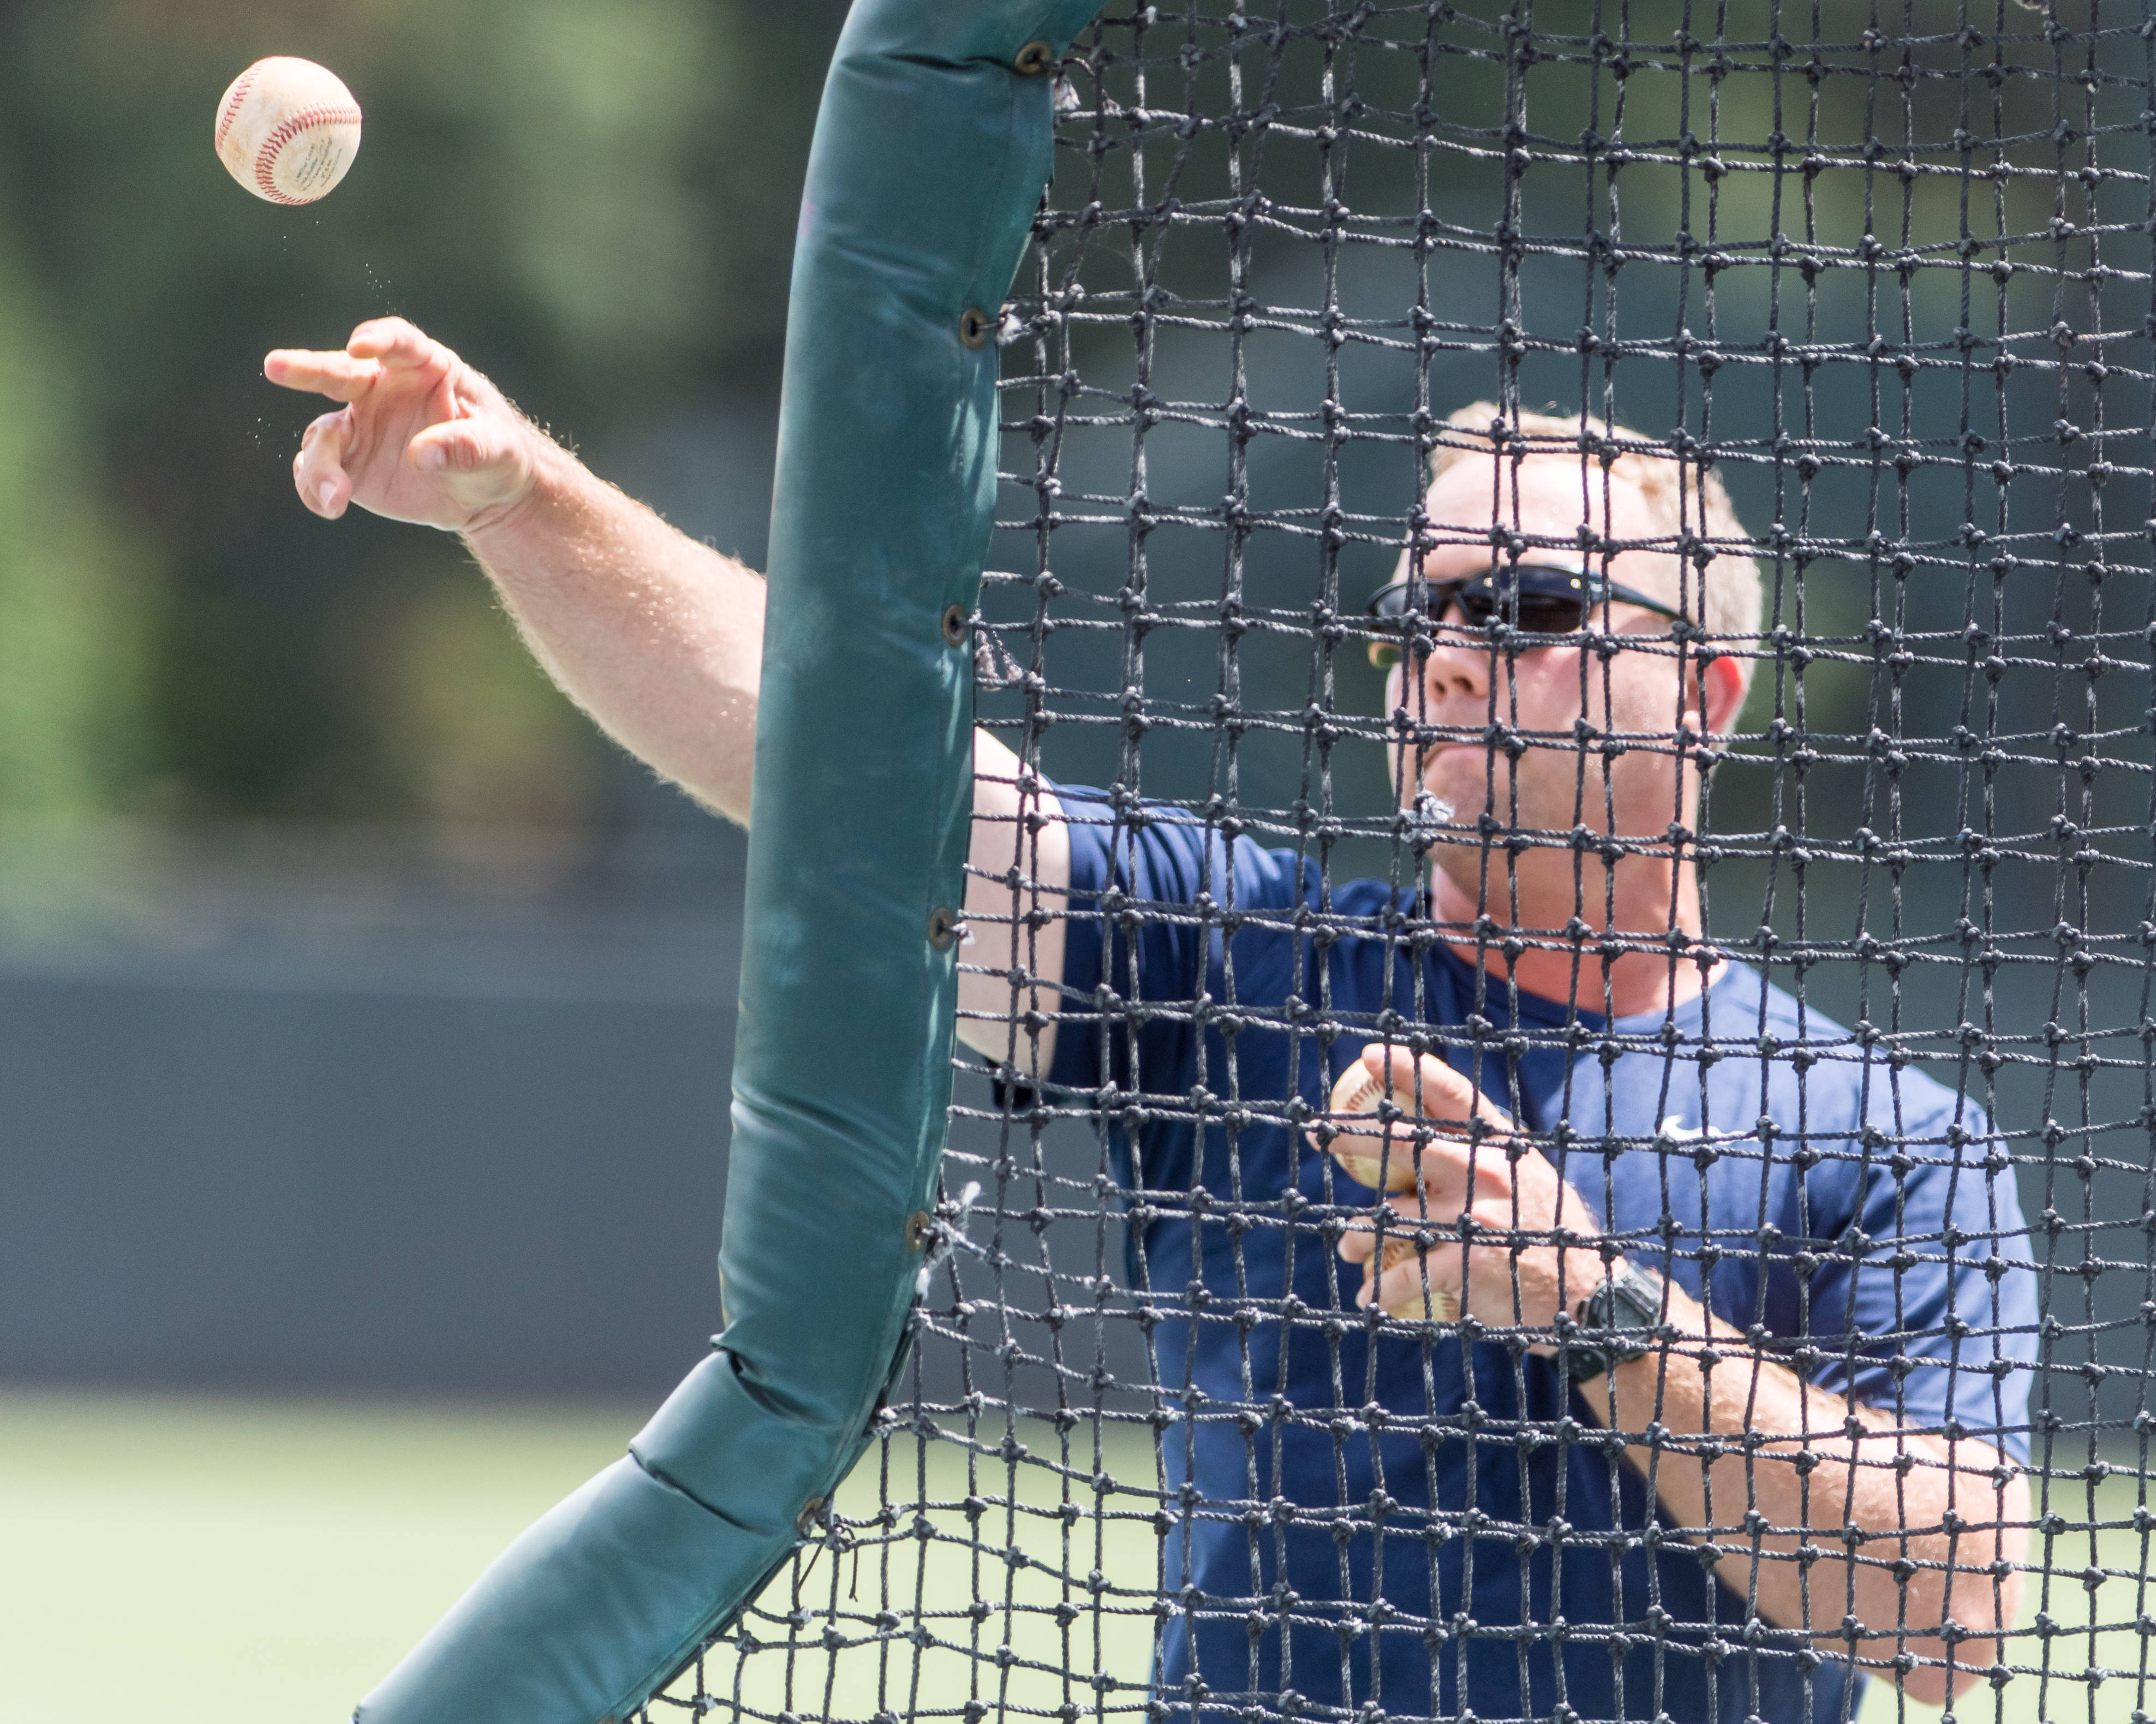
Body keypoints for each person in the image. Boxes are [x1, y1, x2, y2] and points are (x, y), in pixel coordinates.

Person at [268, 321, 2037, 1724]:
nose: (1451, 655)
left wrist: (1595, 1309)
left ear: (1711, 694)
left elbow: (1955, 1615)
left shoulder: (1880, 1139)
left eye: (1534, 609)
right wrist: (522, 502)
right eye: (1421, 614)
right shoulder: (1248, 966)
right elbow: (851, 774)